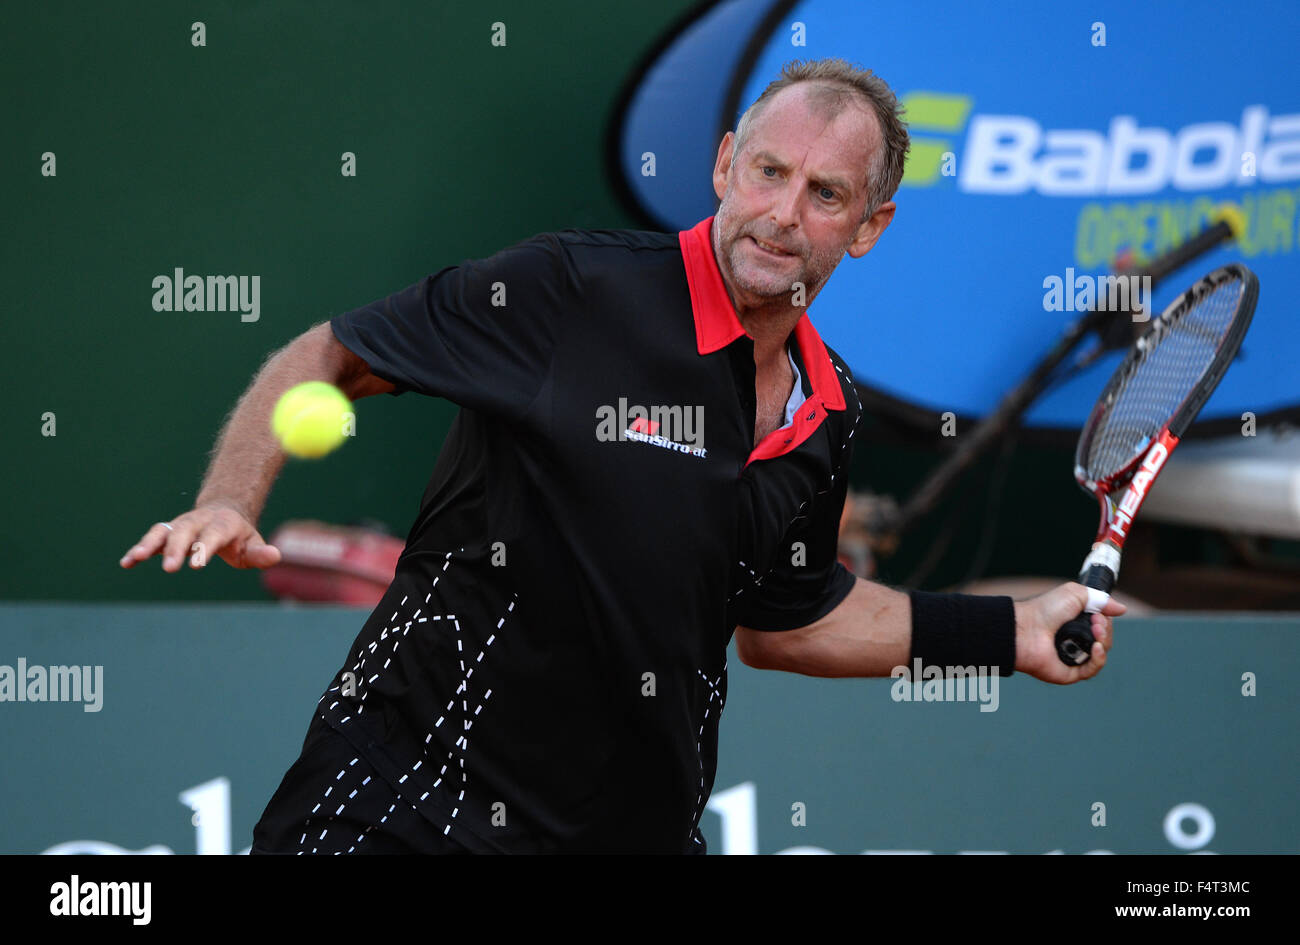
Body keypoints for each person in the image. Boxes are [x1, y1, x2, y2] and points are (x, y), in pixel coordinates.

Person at [119, 58, 1123, 854]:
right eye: (768, 173)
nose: (781, 214)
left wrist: (1009, 634)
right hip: (408, 801)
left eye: (824, 194)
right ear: (725, 164)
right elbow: (331, 352)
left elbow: (790, 621)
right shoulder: (567, 292)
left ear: (868, 228)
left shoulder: (825, 413)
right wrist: (230, 499)